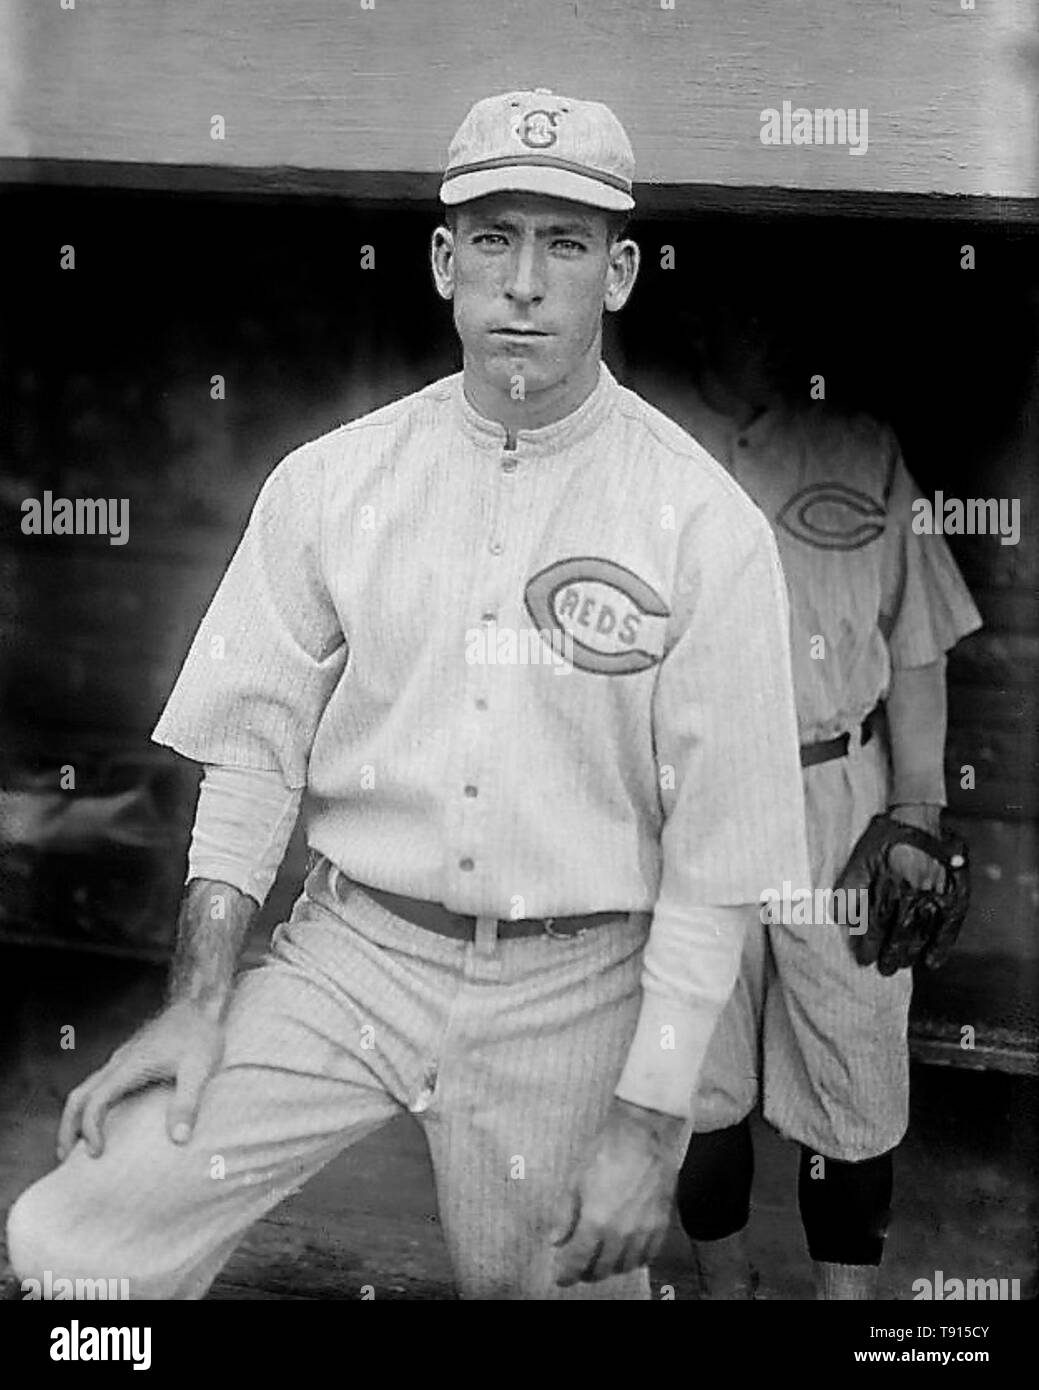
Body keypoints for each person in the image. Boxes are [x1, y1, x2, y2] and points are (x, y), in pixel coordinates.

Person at [7, 91, 809, 1301]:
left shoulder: (705, 526)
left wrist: (648, 1130)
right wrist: (197, 1004)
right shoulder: (331, 482)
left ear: (622, 270)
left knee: (557, 1291)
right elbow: (253, 755)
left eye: (567, 242)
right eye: (493, 237)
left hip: (573, 987)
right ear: (444, 261)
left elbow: (715, 868)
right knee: (78, 1242)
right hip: (353, 956)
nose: (525, 282)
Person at [665, 296, 983, 1300]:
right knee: (691, 1086)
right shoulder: (638, 438)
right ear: (701, 319)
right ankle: (727, 1289)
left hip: (837, 794)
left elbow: (918, 646)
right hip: (688, 800)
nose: (762, 328)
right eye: (739, 304)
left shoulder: (860, 447)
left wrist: (917, 814)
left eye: (781, 304)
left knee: (852, 1080)